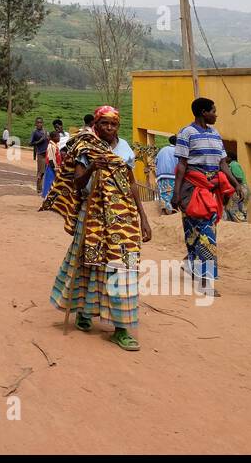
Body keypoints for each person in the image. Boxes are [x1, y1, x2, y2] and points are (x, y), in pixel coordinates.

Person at [44, 105, 151, 352]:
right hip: (92, 213)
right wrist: (93, 167)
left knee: (124, 267)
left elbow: (132, 184)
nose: (109, 129)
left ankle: (121, 329)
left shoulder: (124, 149)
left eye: (113, 124)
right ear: (96, 124)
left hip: (123, 218)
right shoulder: (85, 146)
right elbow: (78, 181)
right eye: (104, 124)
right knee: (88, 263)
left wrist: (143, 218)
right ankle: (85, 310)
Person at [172, 98, 240, 295]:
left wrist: (235, 184)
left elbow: (223, 163)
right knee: (195, 234)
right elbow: (182, 165)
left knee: (205, 234)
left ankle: (200, 274)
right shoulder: (187, 133)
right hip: (191, 189)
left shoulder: (216, 134)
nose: (216, 114)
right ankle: (201, 276)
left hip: (210, 190)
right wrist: (176, 194)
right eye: (214, 111)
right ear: (203, 112)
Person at [154, 136, 178, 215]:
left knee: (163, 192)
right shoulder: (177, 151)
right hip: (172, 175)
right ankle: (171, 210)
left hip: (161, 175)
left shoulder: (162, 149)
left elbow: (156, 161)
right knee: (171, 192)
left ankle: (164, 209)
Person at [225, 153, 248, 222]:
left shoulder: (233, 164)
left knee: (232, 208)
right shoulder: (232, 165)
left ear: (230, 158)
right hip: (241, 188)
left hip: (240, 188)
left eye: (227, 157)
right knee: (239, 208)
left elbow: (239, 178)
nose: (225, 158)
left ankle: (240, 223)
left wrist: (230, 178)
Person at [40, 131, 60, 201]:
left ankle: (50, 196)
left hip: (55, 167)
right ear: (53, 138)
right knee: (50, 182)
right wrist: (54, 168)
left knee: (52, 182)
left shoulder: (55, 145)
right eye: (57, 136)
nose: (59, 138)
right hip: (52, 167)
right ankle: (47, 197)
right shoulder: (51, 146)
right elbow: (51, 158)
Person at [29, 117, 49, 192]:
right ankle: (39, 188)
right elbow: (30, 143)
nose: (39, 124)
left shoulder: (46, 131)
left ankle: (45, 188)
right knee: (40, 172)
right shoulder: (35, 132)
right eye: (38, 122)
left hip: (47, 154)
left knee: (46, 172)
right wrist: (39, 141)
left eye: (41, 122)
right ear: (35, 124)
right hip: (41, 154)